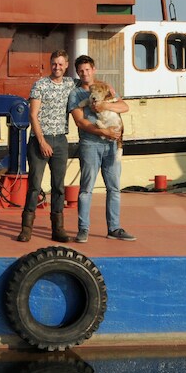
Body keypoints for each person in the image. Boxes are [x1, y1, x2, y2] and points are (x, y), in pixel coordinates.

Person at [67, 55, 134, 242]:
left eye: (87, 69)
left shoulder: (105, 88)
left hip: (111, 144)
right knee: (86, 189)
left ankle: (114, 228)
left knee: (114, 188)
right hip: (90, 144)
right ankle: (83, 229)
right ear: (77, 73)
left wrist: (105, 105)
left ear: (93, 69)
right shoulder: (75, 94)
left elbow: (124, 106)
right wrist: (103, 131)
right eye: (81, 71)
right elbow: (80, 121)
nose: (85, 73)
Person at [17, 50, 78, 243]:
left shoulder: (70, 84)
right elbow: (33, 115)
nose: (57, 67)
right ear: (50, 64)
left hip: (60, 140)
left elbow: (89, 85)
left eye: (60, 64)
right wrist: (42, 141)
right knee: (35, 185)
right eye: (54, 64)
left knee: (58, 186)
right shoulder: (40, 85)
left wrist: (109, 90)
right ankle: (26, 228)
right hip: (39, 141)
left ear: (66, 65)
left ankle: (58, 229)